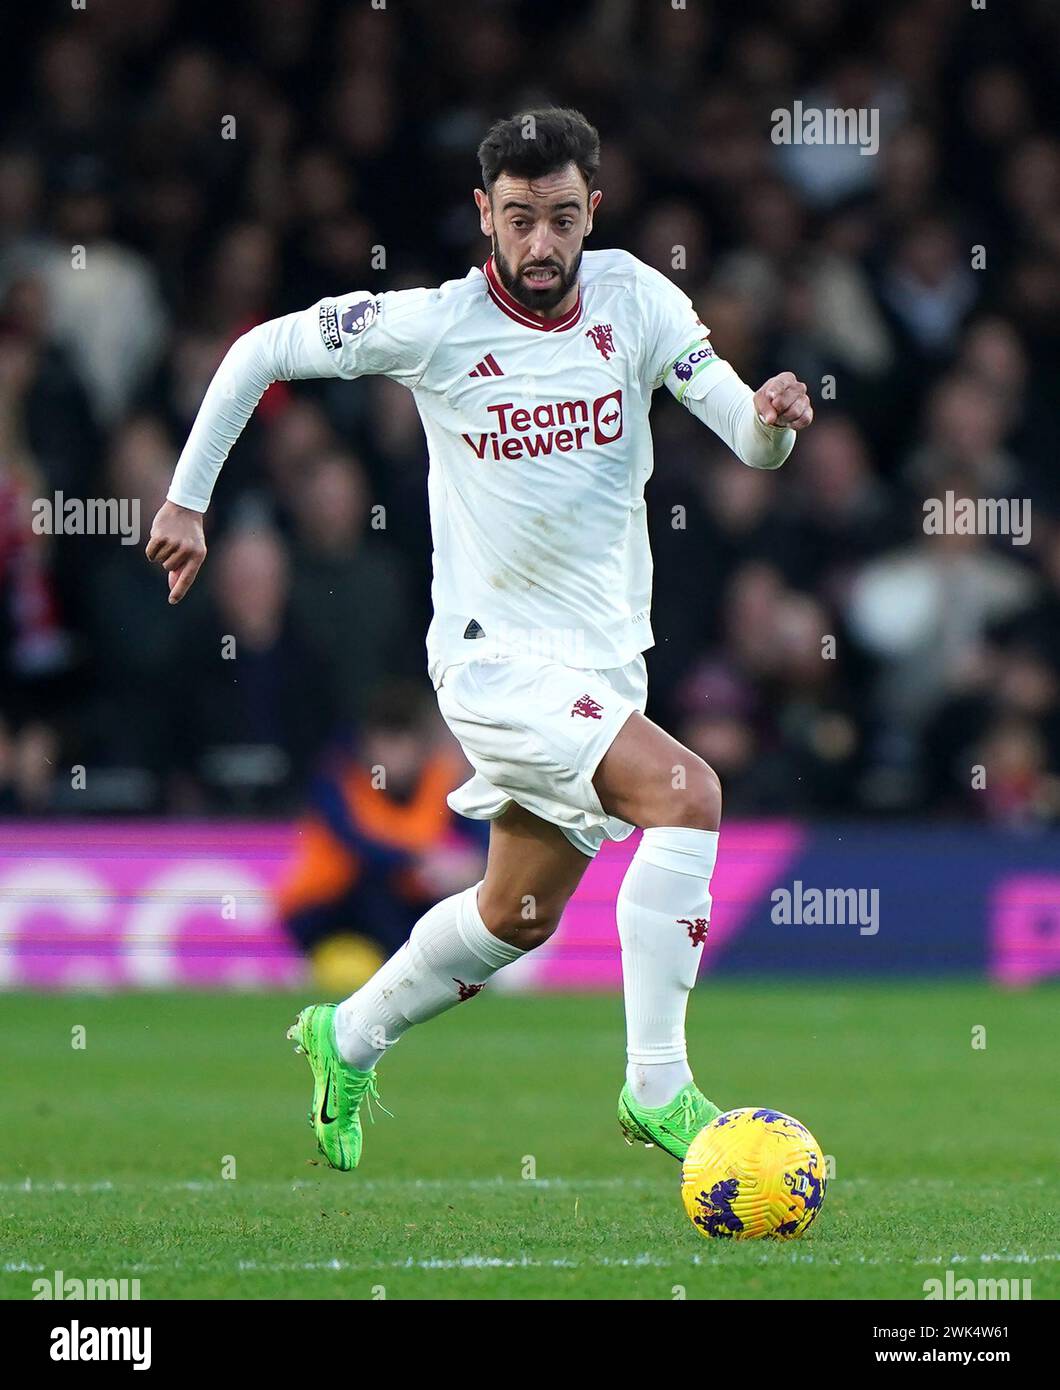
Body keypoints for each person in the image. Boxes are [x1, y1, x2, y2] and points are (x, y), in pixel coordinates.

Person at [146, 108, 813, 1171]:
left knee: (517, 913)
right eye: (517, 221)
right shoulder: (433, 325)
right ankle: (659, 1087)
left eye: (560, 219)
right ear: (483, 217)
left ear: (592, 209)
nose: (540, 246)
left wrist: (773, 420)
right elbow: (258, 349)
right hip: (490, 662)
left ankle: (345, 1032)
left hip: (602, 665)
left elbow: (746, 432)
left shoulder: (637, 299)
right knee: (688, 791)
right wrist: (188, 500)